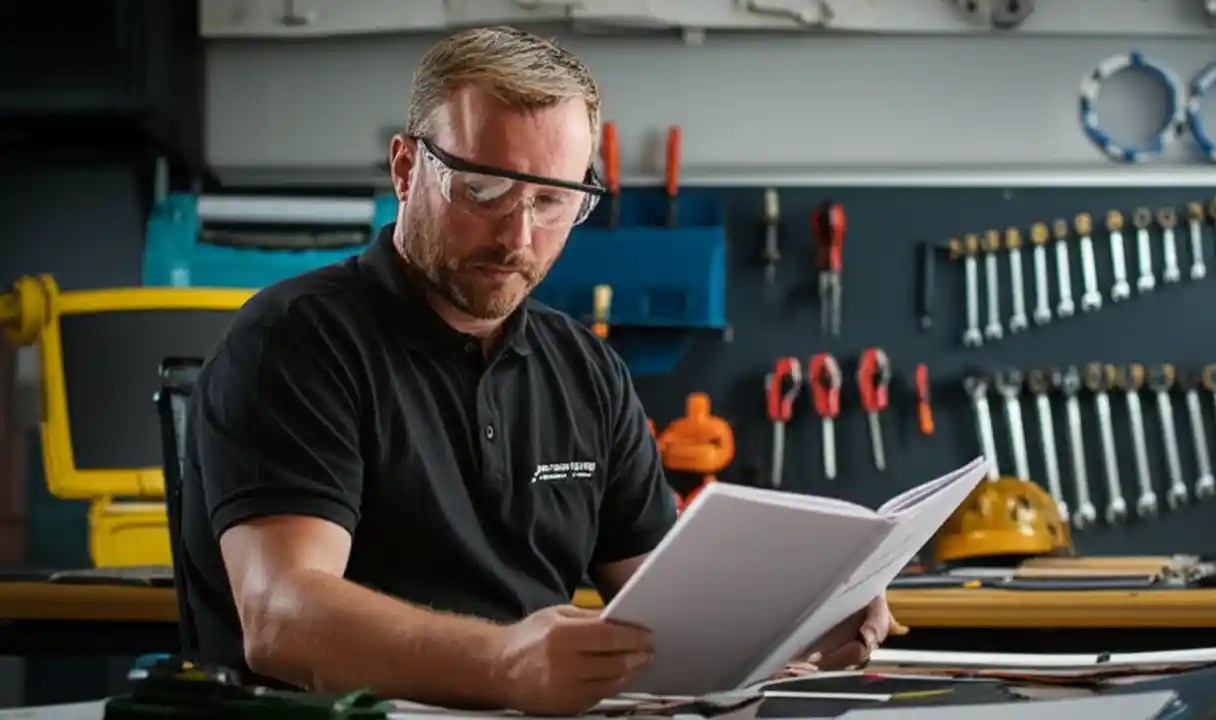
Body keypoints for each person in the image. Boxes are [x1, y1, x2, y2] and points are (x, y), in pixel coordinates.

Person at [180, 25, 894, 716]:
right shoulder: (295, 342)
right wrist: (504, 664)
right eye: (484, 190)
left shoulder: (585, 369)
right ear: (405, 169)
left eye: (553, 201)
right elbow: (282, 619)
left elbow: (663, 595)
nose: (518, 236)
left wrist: (793, 620)